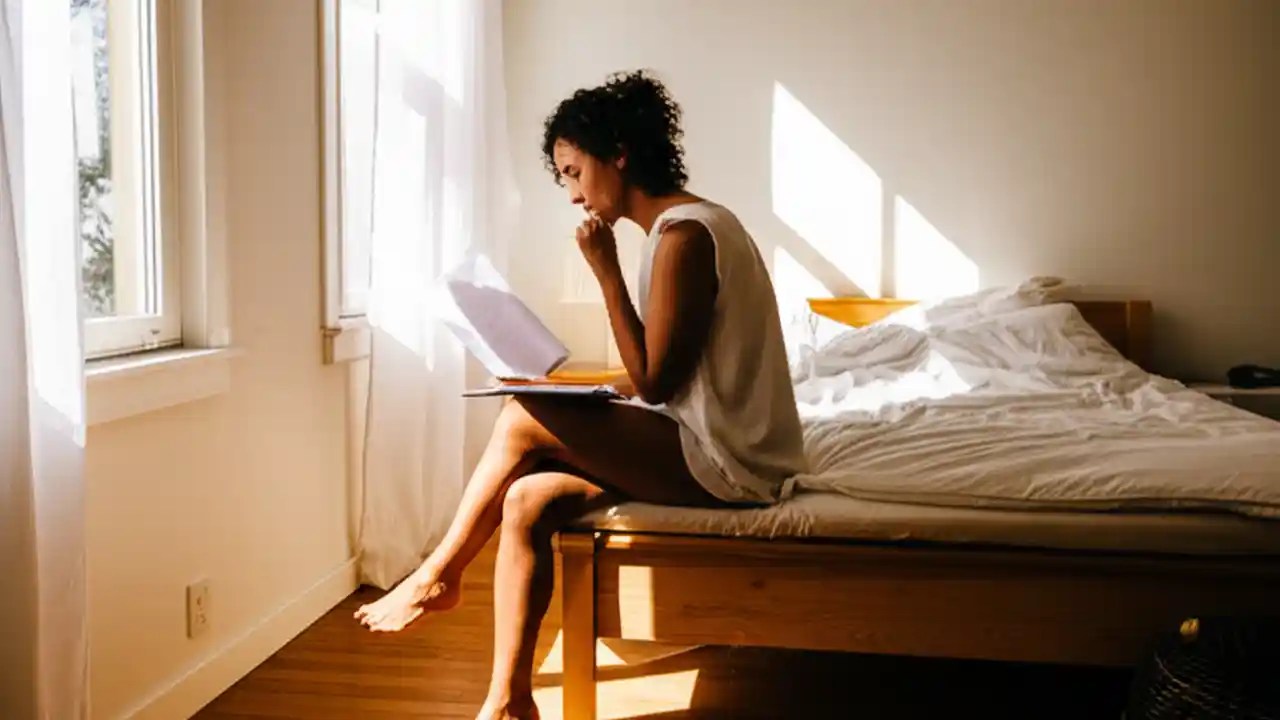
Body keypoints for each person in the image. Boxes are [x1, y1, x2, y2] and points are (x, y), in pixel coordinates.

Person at [353, 69, 807, 720]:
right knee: (529, 501)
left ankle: (437, 575)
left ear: (617, 156)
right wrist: (581, 394)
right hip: (709, 443)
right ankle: (509, 701)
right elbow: (669, 369)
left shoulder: (683, 237)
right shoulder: (690, 227)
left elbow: (658, 382)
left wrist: (606, 273)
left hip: (730, 465)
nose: (572, 194)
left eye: (573, 171)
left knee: (519, 419)